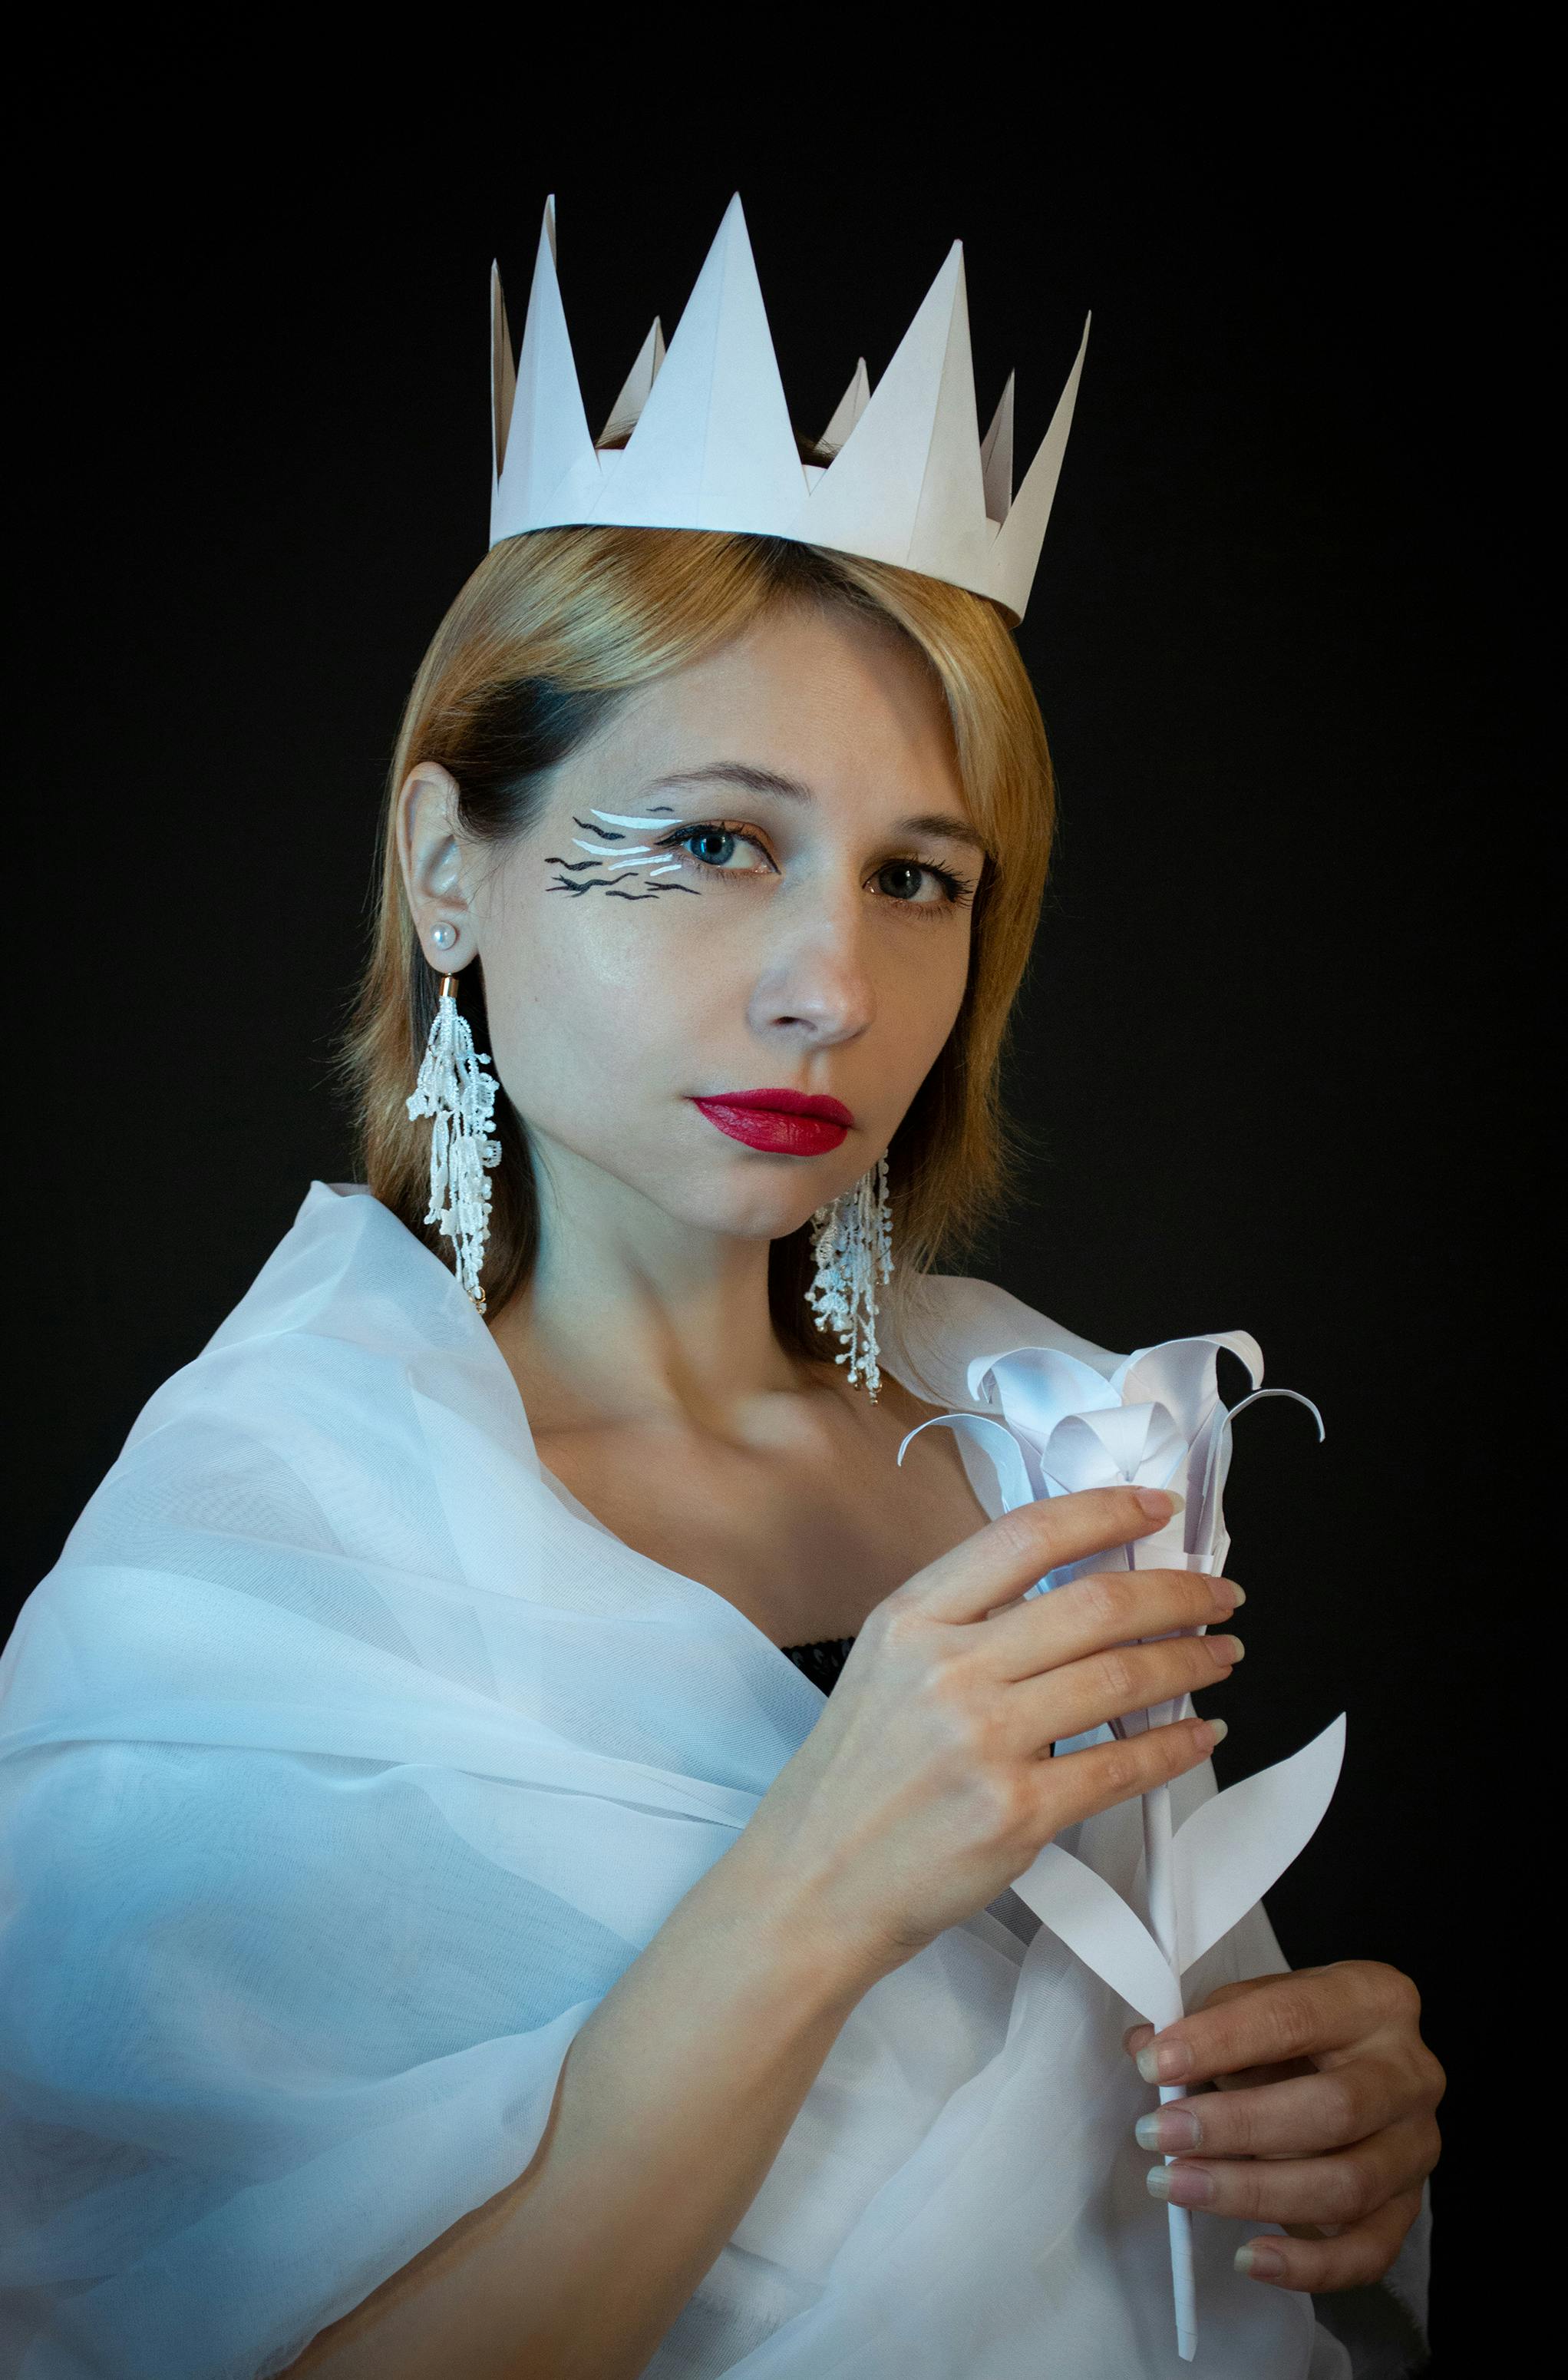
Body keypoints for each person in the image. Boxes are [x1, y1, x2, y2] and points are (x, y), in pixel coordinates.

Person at [0, 198, 1441, 2379]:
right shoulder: (256, 1564)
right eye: (706, 839)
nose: (831, 984)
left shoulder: (1055, 1427)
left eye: (917, 877)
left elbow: (1135, 2177)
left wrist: (1339, 2169)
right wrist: (817, 1876)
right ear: (448, 867)